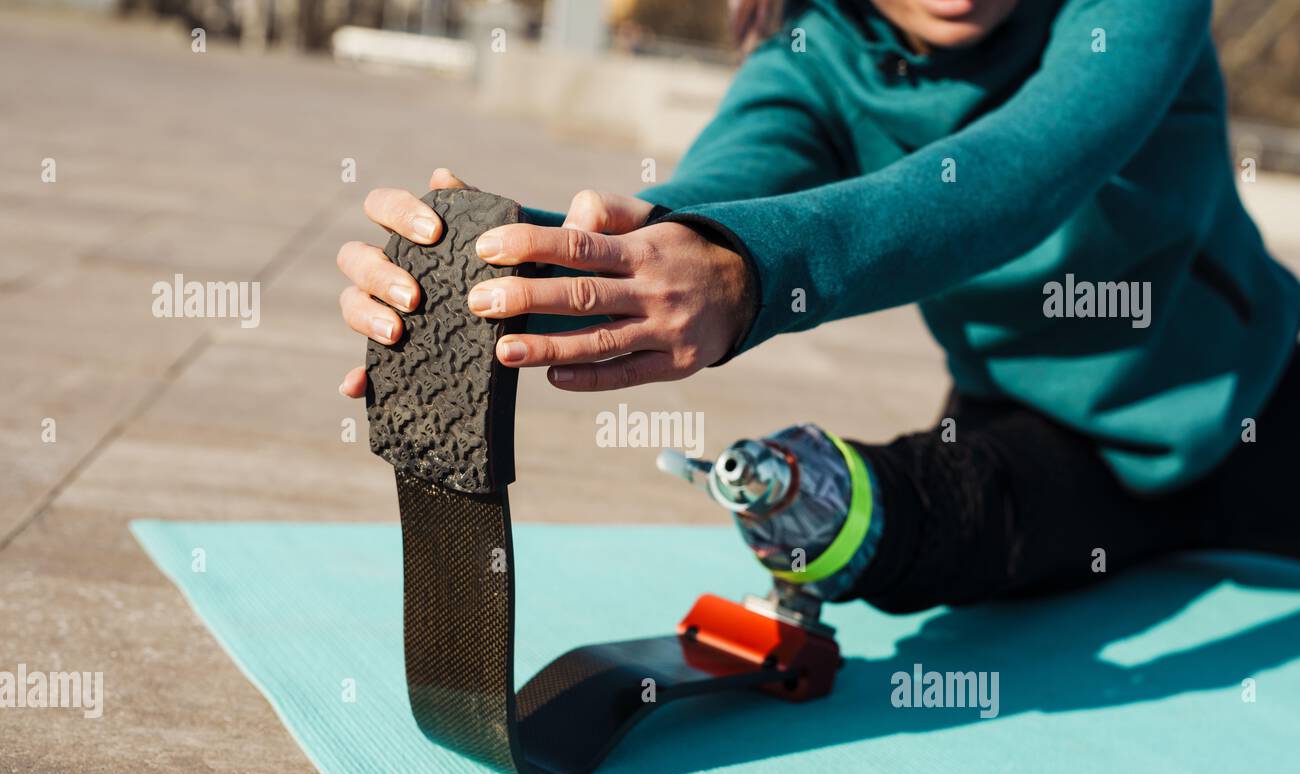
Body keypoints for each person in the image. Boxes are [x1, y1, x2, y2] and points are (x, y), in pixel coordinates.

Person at [334, 0, 1300, 613]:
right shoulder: (813, 56)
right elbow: (723, 198)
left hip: (1267, 396)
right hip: (1044, 430)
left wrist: (742, 276)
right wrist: (498, 265)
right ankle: (813, 498)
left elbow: (1020, 175)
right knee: (941, 528)